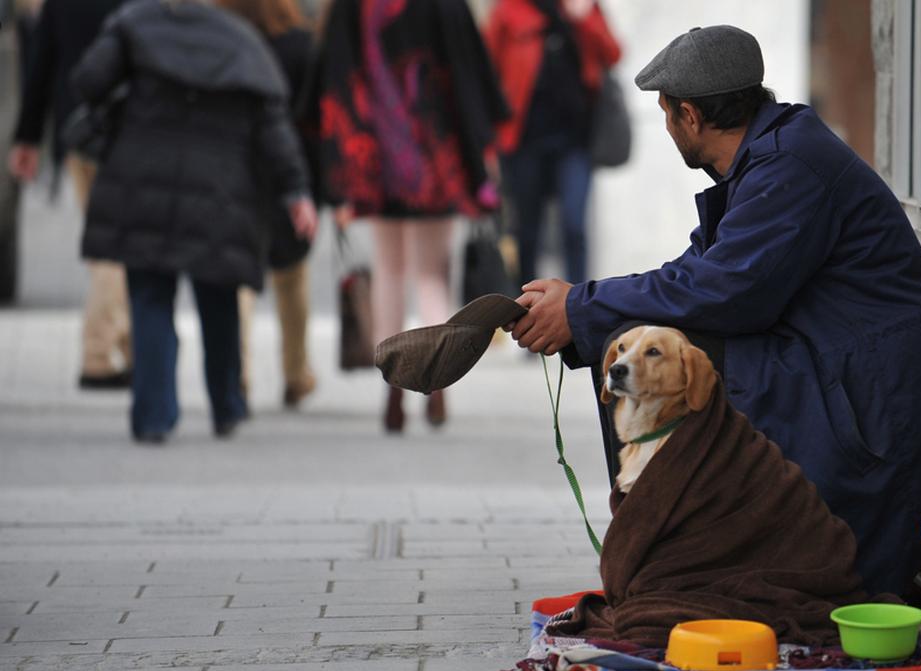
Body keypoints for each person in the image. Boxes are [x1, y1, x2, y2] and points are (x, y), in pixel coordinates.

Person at [509, 25, 921, 596]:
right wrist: (580, 307)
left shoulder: (791, 166)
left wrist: (581, 307)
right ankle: (669, 560)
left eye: (665, 114)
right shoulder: (768, 160)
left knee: (646, 360)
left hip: (875, 420)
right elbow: (693, 277)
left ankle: (664, 562)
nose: (667, 127)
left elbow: (723, 292)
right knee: (639, 347)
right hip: (843, 381)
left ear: (690, 116)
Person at [71, 0, 318, 443]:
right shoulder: (243, 44)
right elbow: (272, 125)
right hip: (220, 193)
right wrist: (296, 191)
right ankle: (226, 405)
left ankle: (153, 416)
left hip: (143, 183)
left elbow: (88, 80)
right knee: (219, 300)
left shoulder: (135, 24)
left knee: (149, 300)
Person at [313, 0, 509, 433]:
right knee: (432, 274)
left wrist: (335, 168)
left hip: (376, 157)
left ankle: (393, 392)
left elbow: (333, 78)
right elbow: (471, 76)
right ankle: (437, 387)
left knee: (389, 269)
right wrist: (481, 155)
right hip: (436, 157)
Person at [6, 0, 130, 390]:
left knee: (107, 240)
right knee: (117, 245)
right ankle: (99, 350)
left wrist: (27, 136)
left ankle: (128, 346)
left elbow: (41, 65)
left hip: (79, 130)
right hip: (129, 130)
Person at [219, 0, 320, 409]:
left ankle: (238, 375)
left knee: (238, 280)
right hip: (290, 174)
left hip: (234, 174)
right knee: (291, 275)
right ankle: (296, 372)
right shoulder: (300, 44)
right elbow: (316, 115)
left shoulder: (222, 41)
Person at [483, 0, 620, 284]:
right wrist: (488, 144)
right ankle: (524, 310)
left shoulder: (582, 7)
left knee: (574, 225)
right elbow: (486, 71)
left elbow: (613, 52)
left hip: (574, 141)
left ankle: (581, 303)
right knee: (527, 232)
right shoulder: (508, 10)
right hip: (524, 142)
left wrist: (583, 19)